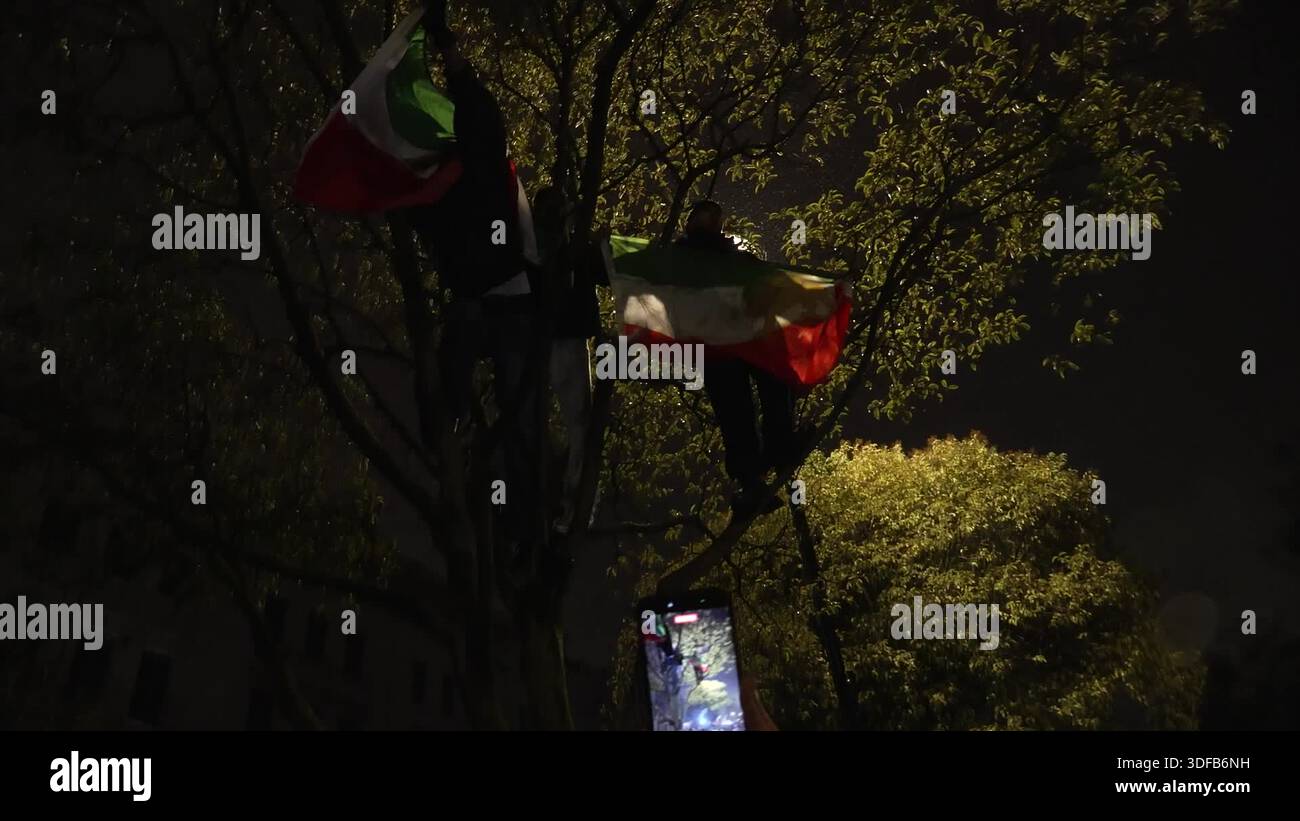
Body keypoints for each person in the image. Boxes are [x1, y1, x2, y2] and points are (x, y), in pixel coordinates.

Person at [404, 0, 544, 554]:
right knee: (447, 381)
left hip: (509, 301)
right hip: (480, 303)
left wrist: (444, 42)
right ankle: (450, 442)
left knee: (520, 425)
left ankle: (522, 529)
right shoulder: (435, 197)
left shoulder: (481, 159)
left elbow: (475, 105)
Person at [675, 200, 796, 515]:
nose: (707, 225)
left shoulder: (736, 253)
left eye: (712, 220)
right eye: (702, 219)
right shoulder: (680, 257)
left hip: (745, 339)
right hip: (717, 350)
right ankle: (752, 478)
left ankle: (776, 450)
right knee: (736, 413)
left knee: (774, 385)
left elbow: (762, 283)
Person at [531, 186, 610, 533]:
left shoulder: (565, 248)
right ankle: (562, 506)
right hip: (550, 342)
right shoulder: (537, 246)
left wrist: (601, 245)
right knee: (573, 423)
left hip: (556, 341)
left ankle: (567, 507)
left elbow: (607, 274)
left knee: (574, 424)